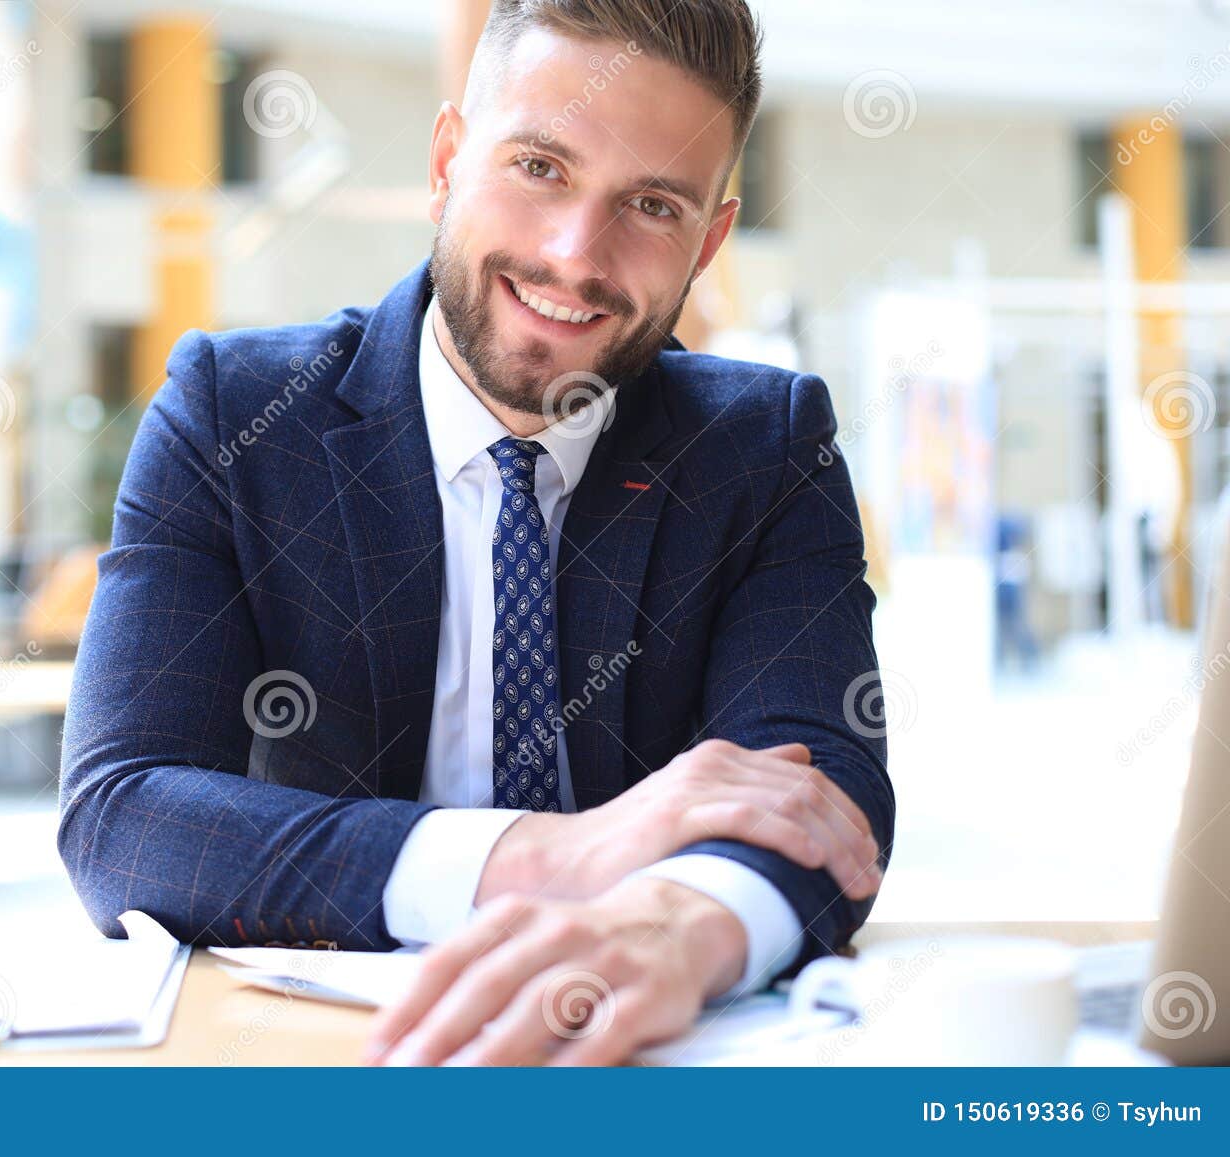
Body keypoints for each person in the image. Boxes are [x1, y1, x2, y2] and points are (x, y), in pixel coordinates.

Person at [58, 0, 892, 1067]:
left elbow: (823, 796)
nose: (573, 255)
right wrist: (545, 858)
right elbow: (125, 810)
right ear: (448, 159)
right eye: (539, 167)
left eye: (651, 203)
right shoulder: (234, 416)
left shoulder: (763, 448)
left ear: (709, 240)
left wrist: (682, 920)